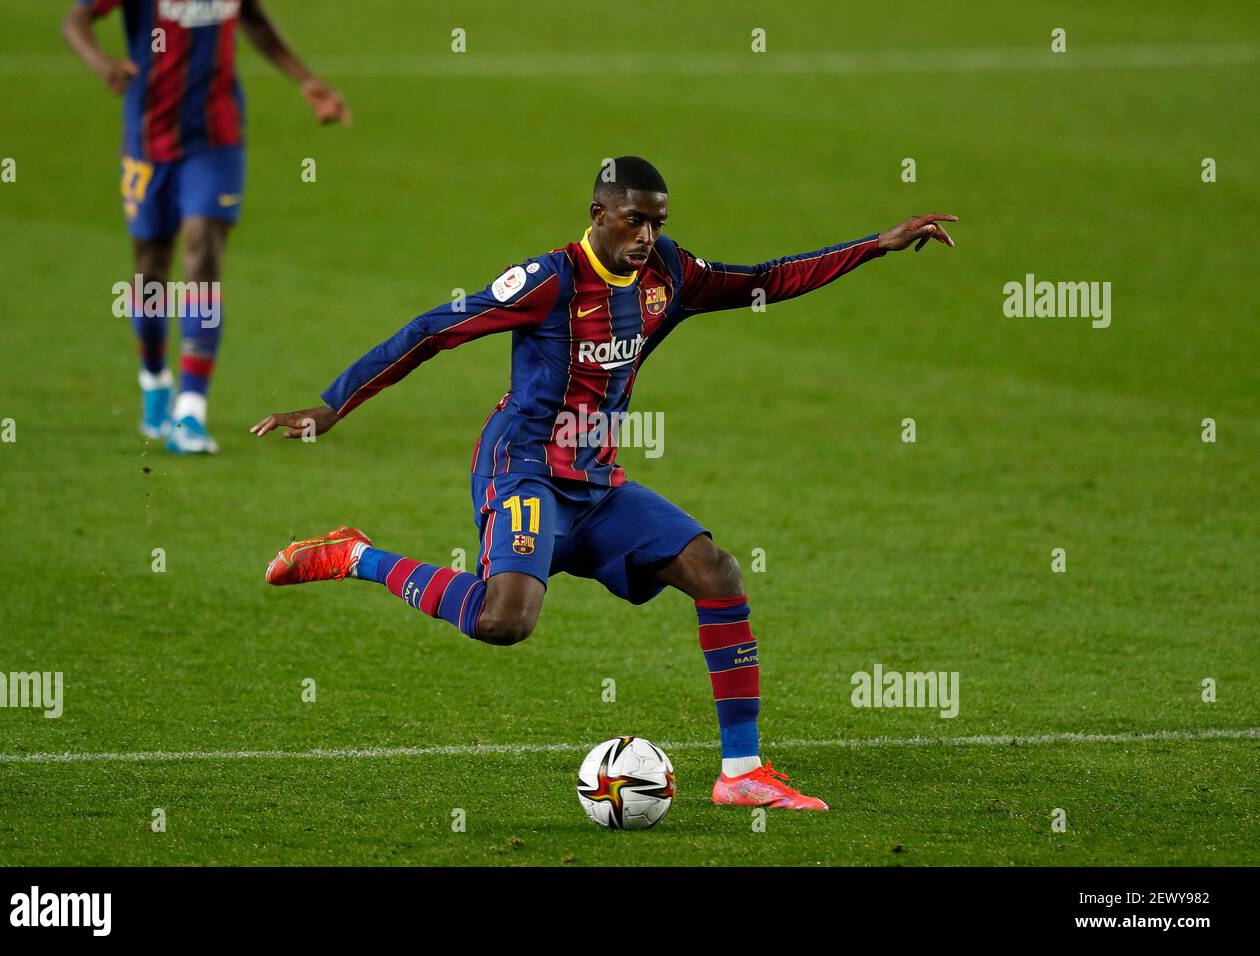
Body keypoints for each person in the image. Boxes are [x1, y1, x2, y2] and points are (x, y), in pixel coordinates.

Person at [252, 157, 956, 810]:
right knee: (505, 622)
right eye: (635, 220)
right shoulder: (548, 280)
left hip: (596, 480)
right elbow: (434, 330)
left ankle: (742, 773)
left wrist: (877, 244)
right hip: (523, 470)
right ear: (597, 212)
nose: (648, 235)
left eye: (658, 223)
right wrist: (332, 404)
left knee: (717, 572)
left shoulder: (669, 276)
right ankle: (355, 556)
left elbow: (764, 279)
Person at [63, 0, 350, 453]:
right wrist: (102, 64)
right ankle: (155, 380)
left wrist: (305, 79)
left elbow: (252, 18)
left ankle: (190, 411)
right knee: (151, 267)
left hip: (217, 140)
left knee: (203, 251)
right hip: (148, 137)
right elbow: (77, 18)